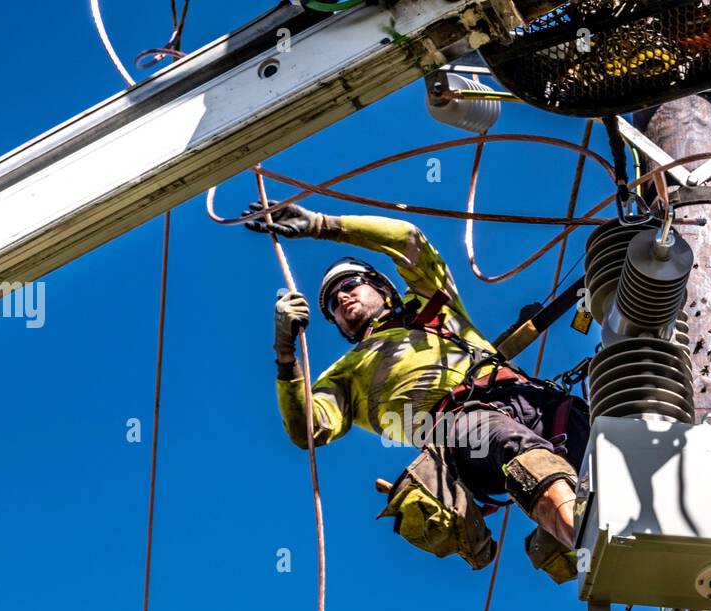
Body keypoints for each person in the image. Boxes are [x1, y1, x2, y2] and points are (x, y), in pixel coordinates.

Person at [249, 201, 589, 579]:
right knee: (514, 449)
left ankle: (638, 532)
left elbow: (407, 239)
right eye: (332, 303)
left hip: (535, 401)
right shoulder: (345, 374)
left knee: (611, 445)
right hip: (460, 428)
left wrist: (322, 225)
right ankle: (590, 544)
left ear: (381, 288)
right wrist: (285, 354)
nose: (342, 298)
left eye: (349, 285)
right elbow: (307, 428)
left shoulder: (433, 303)